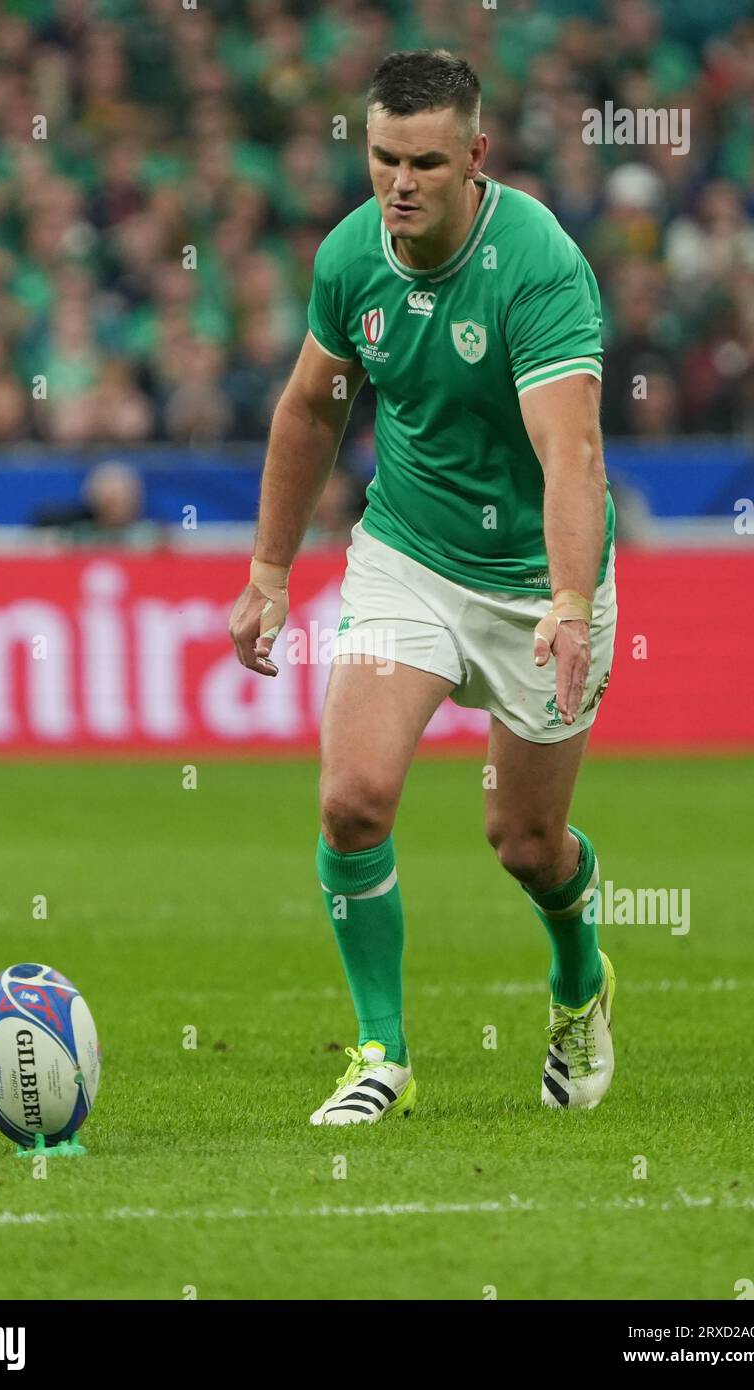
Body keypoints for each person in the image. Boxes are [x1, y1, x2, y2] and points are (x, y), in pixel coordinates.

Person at [229, 49, 618, 1123]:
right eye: (382, 158)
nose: (399, 183)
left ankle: (579, 978)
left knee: (526, 843)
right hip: (406, 553)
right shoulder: (352, 256)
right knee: (351, 802)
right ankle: (380, 1054)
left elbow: (570, 454)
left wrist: (574, 603)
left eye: (426, 163)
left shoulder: (537, 265)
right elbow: (312, 407)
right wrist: (270, 570)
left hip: (538, 577)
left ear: (476, 157)